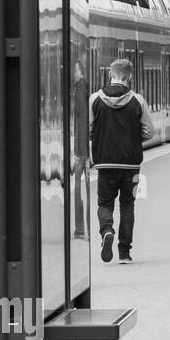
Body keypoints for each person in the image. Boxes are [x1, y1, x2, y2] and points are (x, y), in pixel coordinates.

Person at [89, 58, 156, 263]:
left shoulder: (94, 99)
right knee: (128, 206)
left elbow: (87, 129)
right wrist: (134, 139)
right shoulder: (138, 100)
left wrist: (99, 139)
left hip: (105, 164)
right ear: (129, 77)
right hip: (131, 165)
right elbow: (150, 131)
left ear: (111, 75)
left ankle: (107, 230)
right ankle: (124, 253)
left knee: (104, 203)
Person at [70, 59, 90, 238]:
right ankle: (85, 228)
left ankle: (81, 228)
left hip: (80, 150)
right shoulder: (82, 87)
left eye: (75, 70)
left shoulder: (79, 87)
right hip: (82, 149)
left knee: (78, 188)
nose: (73, 73)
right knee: (82, 188)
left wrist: (80, 153)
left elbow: (81, 121)